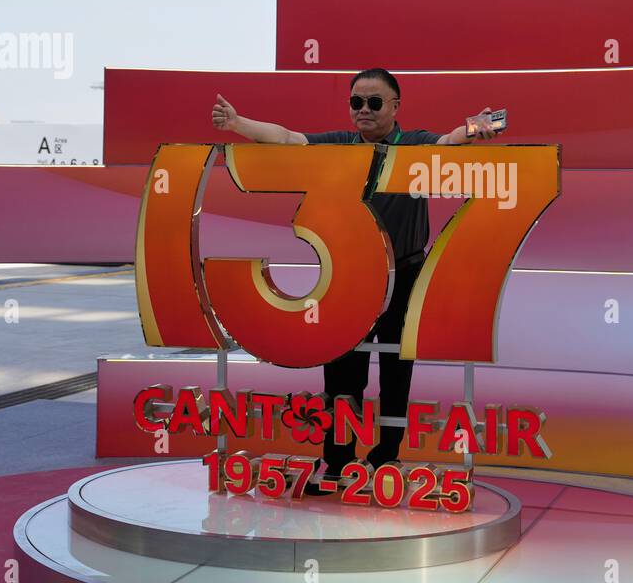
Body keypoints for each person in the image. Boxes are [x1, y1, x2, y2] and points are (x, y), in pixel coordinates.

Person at [211, 68, 499, 493]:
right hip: (346, 280)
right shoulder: (339, 144)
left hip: (405, 275)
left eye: (375, 102)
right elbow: (288, 138)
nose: (364, 110)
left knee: (396, 369)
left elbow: (452, 140)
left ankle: (386, 461)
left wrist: (479, 127)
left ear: (396, 107)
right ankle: (338, 464)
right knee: (342, 375)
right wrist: (238, 123)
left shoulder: (415, 143)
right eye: (356, 102)